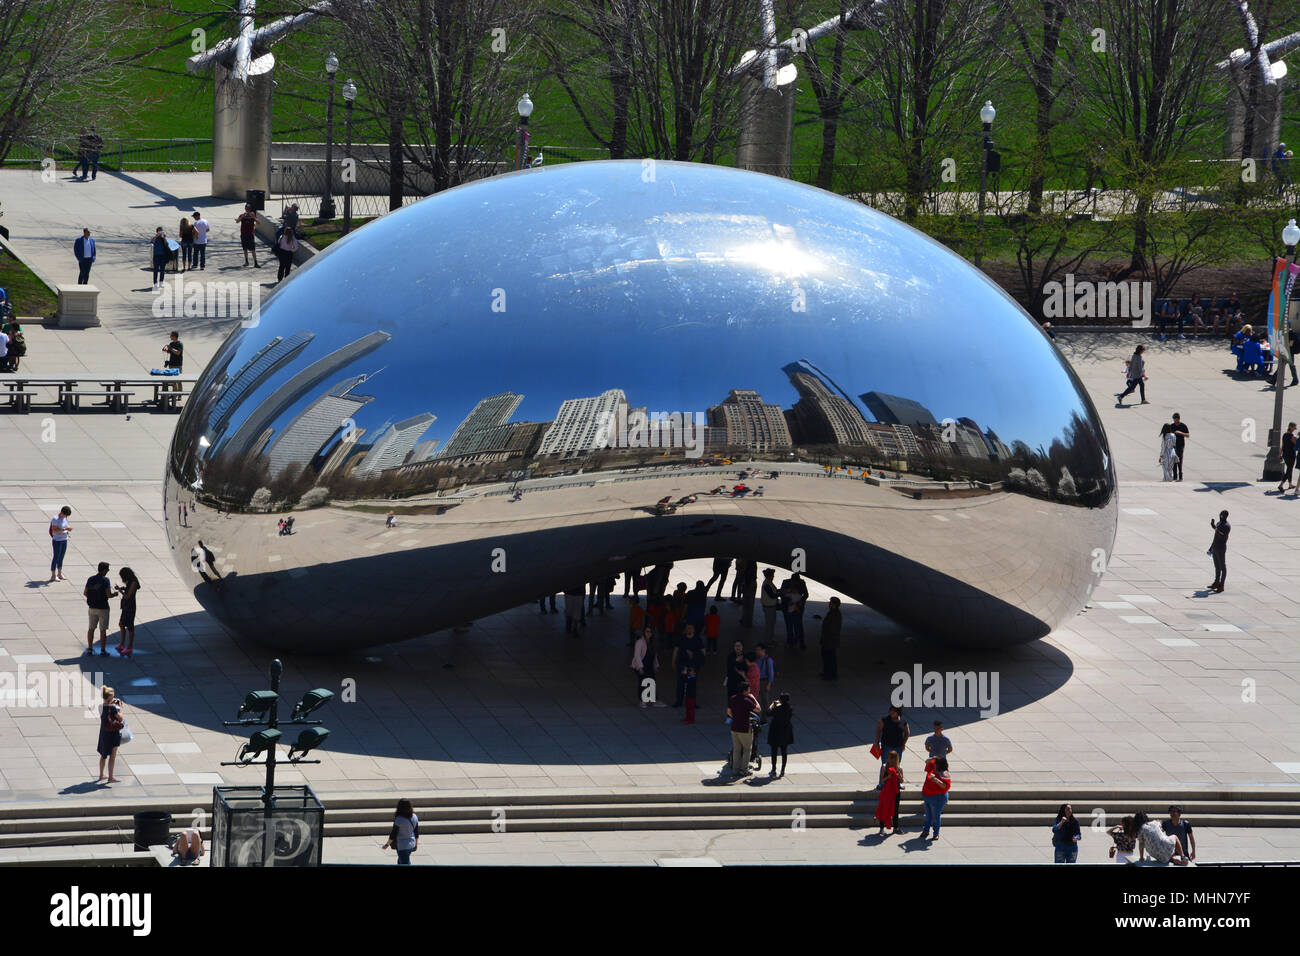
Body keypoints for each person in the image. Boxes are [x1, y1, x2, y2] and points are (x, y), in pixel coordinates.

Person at [726, 679, 758, 777]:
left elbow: (728, 712)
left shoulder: (733, 698)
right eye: (748, 689)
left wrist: (735, 717)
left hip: (734, 727)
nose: (749, 691)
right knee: (747, 749)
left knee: (736, 749)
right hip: (745, 728)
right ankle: (744, 769)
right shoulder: (747, 700)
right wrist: (753, 698)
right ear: (744, 691)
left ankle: (735, 769)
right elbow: (758, 709)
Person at [875, 705, 909, 788]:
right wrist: (877, 743)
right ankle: (881, 783)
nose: (891, 712)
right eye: (890, 710)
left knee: (897, 765)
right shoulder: (884, 720)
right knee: (885, 765)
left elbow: (907, 733)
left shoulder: (903, 721)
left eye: (894, 711)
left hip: (898, 747)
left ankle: (898, 783)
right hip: (886, 746)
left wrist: (903, 744)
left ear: (898, 712)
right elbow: (878, 731)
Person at [84, 561, 113, 656]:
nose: (108, 570)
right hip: (103, 608)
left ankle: (89, 648)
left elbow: (85, 593)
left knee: (91, 629)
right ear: (104, 570)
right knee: (103, 630)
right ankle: (103, 650)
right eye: (107, 569)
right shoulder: (106, 580)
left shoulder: (91, 579)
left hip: (92, 607)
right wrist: (115, 594)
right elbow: (108, 595)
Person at [96, 686, 123, 783]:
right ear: (110, 698)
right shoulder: (113, 708)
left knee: (103, 755)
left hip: (104, 733)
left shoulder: (100, 706)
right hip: (113, 733)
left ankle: (101, 774)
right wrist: (120, 708)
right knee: (112, 756)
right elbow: (120, 718)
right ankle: (111, 777)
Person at [920, 756, 951, 840]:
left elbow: (945, 787)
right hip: (927, 796)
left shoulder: (944, 773)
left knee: (935, 817)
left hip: (938, 798)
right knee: (928, 816)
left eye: (936, 763)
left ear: (939, 765)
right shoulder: (933, 767)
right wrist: (932, 758)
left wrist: (936, 780)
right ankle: (926, 831)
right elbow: (927, 761)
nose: (934, 764)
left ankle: (936, 833)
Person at [114, 567, 140, 657]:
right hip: (126, 606)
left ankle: (129, 646)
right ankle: (122, 644)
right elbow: (128, 590)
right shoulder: (130, 581)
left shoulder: (133, 582)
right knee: (121, 624)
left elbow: (128, 596)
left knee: (129, 626)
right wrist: (124, 588)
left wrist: (120, 590)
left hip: (130, 607)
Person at [382, 798, 418, 864]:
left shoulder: (399, 819)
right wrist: (416, 845)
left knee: (405, 863)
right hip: (411, 843)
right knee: (400, 861)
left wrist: (387, 845)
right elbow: (416, 832)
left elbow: (393, 834)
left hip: (402, 845)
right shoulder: (415, 816)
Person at [874, 751, 902, 835]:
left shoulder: (899, 768)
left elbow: (901, 781)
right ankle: (881, 828)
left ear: (895, 759)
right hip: (886, 791)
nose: (888, 759)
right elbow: (882, 780)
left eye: (890, 758)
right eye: (887, 757)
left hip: (895, 791)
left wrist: (899, 776)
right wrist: (888, 777)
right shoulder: (884, 767)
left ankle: (895, 828)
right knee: (884, 809)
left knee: (895, 810)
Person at [766, 692, 793, 777]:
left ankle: (774, 769)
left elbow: (768, 713)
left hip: (775, 731)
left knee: (774, 751)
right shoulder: (790, 708)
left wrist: (772, 705)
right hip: (785, 731)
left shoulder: (777, 708)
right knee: (784, 751)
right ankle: (782, 770)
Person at [779, 571, 808, 649]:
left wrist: (800, 602)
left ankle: (798, 642)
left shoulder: (801, 582)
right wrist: (788, 601)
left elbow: (806, 594)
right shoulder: (786, 582)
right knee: (790, 626)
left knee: (797, 626)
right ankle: (791, 642)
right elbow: (781, 594)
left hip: (797, 608)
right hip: (789, 608)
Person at [819, 595, 841, 679]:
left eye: (831, 603)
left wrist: (826, 638)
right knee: (828, 657)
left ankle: (830, 674)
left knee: (829, 657)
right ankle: (828, 673)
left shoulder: (835, 614)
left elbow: (833, 629)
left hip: (830, 640)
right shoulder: (833, 612)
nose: (829, 604)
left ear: (834, 604)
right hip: (828, 640)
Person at [1208, 510, 1230, 593]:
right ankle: (1216, 582)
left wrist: (1214, 528)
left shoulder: (1226, 526)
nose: (1221, 516)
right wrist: (1211, 547)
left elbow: (1222, 536)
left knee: (1223, 567)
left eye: (1222, 515)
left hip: (1221, 548)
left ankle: (1222, 585)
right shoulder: (1218, 523)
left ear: (1226, 516)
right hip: (1215, 547)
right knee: (1217, 566)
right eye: (1220, 514)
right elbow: (1215, 537)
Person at [49, 506, 72, 581]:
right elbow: (54, 530)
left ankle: (59, 573)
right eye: (65, 515)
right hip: (57, 540)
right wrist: (65, 529)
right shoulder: (55, 519)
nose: (66, 517)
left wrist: (68, 527)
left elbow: (66, 525)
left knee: (61, 557)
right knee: (56, 557)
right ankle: (53, 575)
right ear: (62, 513)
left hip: (64, 539)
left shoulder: (64, 518)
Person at [755, 643, 775, 719]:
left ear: (763, 650)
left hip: (764, 681)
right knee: (756, 699)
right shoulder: (756, 659)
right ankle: (758, 715)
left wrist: (769, 684)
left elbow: (771, 673)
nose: (757, 651)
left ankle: (764, 716)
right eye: (756, 650)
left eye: (759, 650)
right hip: (757, 681)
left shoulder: (768, 660)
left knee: (765, 700)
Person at [760, 568, 780, 641]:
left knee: (771, 624)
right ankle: (768, 641)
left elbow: (773, 592)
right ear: (769, 576)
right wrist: (781, 593)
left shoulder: (768, 582)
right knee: (770, 625)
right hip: (769, 607)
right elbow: (772, 595)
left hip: (770, 607)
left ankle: (770, 639)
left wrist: (779, 591)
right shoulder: (767, 584)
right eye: (772, 575)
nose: (773, 577)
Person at [1278, 422, 1297, 494]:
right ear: (1291, 427)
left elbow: (1282, 446)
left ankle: (1290, 484)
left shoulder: (1284, 435)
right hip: (1291, 455)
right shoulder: (1292, 436)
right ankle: (1281, 485)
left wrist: (1280, 455)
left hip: (1285, 455)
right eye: (1294, 427)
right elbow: (1296, 444)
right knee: (1289, 470)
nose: (1295, 429)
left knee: (1289, 469)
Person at [1170, 413, 1188, 481]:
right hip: (1173, 445)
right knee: (1174, 460)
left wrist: (1180, 433)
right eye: (1173, 419)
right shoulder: (1172, 426)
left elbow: (1188, 435)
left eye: (1175, 419)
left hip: (1180, 445)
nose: (1174, 420)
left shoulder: (1183, 426)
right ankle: (1174, 476)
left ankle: (1180, 475)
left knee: (1179, 460)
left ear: (1178, 419)